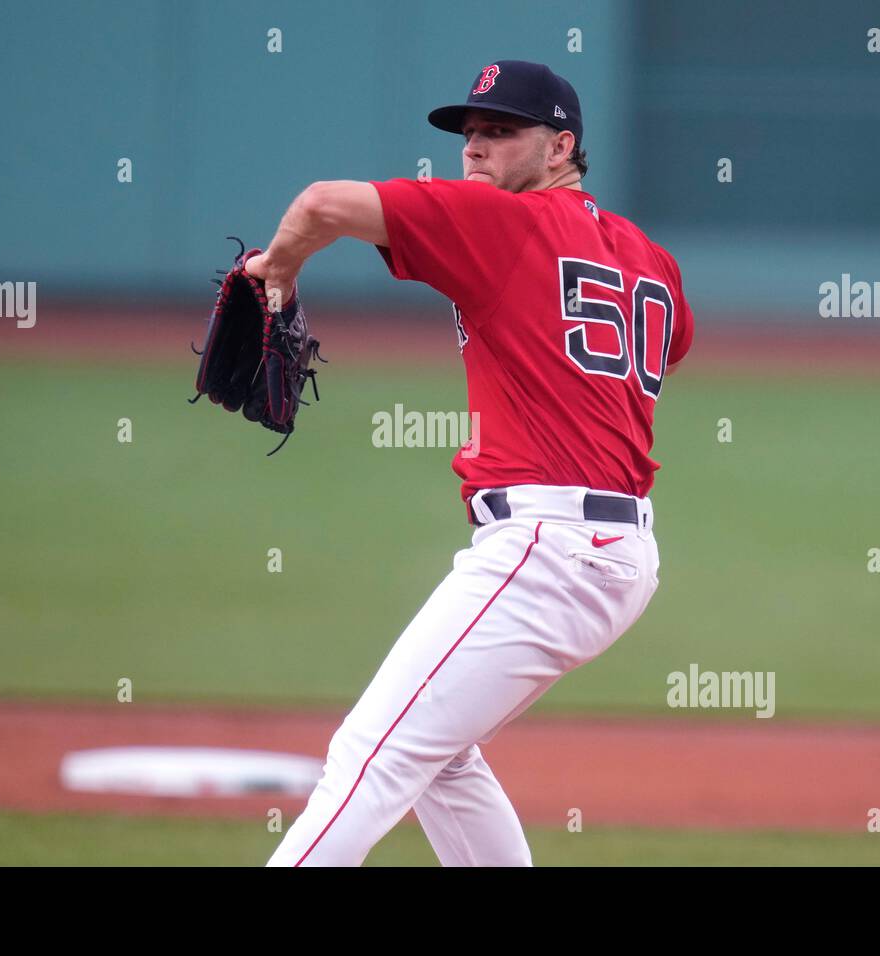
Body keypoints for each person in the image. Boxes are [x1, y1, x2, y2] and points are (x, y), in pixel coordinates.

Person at [246, 59, 694, 866]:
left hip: (546, 547)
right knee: (441, 758)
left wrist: (280, 265)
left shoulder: (502, 224)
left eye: (501, 132)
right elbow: (665, 342)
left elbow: (321, 203)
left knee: (369, 758)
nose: (475, 148)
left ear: (561, 147)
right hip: (612, 551)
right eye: (469, 134)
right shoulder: (650, 258)